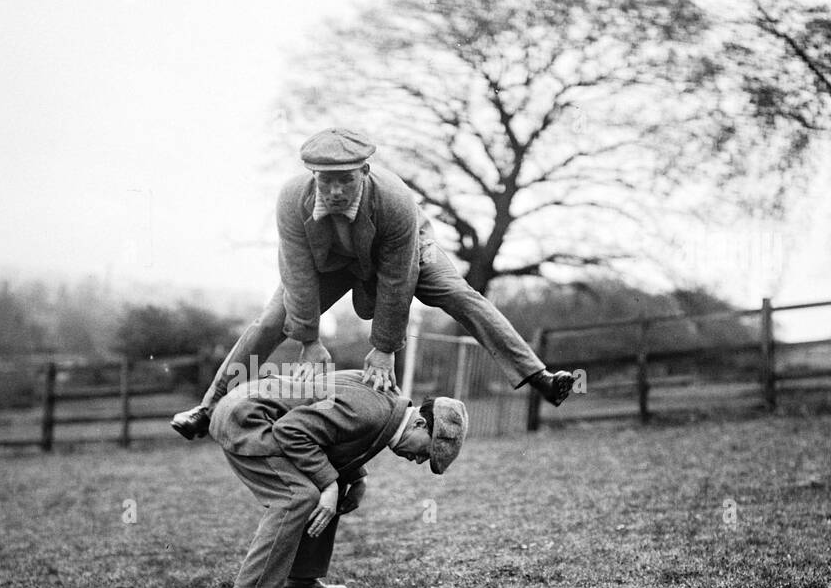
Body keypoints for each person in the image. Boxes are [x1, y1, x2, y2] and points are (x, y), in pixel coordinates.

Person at [172, 126, 573, 440]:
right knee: (269, 321)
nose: (335, 190)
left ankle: (539, 376)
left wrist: (384, 349)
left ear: (364, 171)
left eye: (345, 179)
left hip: (406, 251)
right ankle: (208, 407)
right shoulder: (291, 200)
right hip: (329, 265)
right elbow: (296, 274)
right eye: (325, 180)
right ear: (312, 174)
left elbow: (399, 281)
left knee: (457, 293)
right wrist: (309, 340)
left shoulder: (395, 200)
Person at [209, 368, 468, 588]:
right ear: (420, 424)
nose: (418, 460)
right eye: (426, 452)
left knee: (332, 485)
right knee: (298, 496)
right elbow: (289, 431)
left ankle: (301, 579)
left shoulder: (386, 402)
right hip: (245, 419)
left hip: (249, 408)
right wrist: (328, 483)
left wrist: (356, 478)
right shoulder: (369, 413)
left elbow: (332, 434)